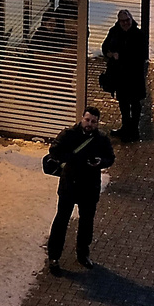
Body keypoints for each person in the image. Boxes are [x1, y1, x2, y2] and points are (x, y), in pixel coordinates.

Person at [45, 106, 116, 273]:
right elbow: (54, 150)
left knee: (86, 223)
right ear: (82, 118)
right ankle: (54, 257)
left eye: (93, 121)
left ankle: (83, 253)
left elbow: (110, 158)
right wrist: (74, 158)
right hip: (70, 184)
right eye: (87, 120)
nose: (89, 124)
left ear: (97, 123)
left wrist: (100, 162)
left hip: (89, 187)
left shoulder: (101, 139)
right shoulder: (68, 134)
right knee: (61, 220)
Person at [101, 10, 148, 141]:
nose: (126, 23)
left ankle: (134, 130)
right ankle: (126, 127)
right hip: (120, 75)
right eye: (123, 21)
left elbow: (142, 55)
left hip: (133, 75)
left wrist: (121, 56)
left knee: (134, 102)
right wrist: (110, 54)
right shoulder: (114, 32)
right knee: (123, 102)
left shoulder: (138, 35)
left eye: (127, 20)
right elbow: (105, 47)